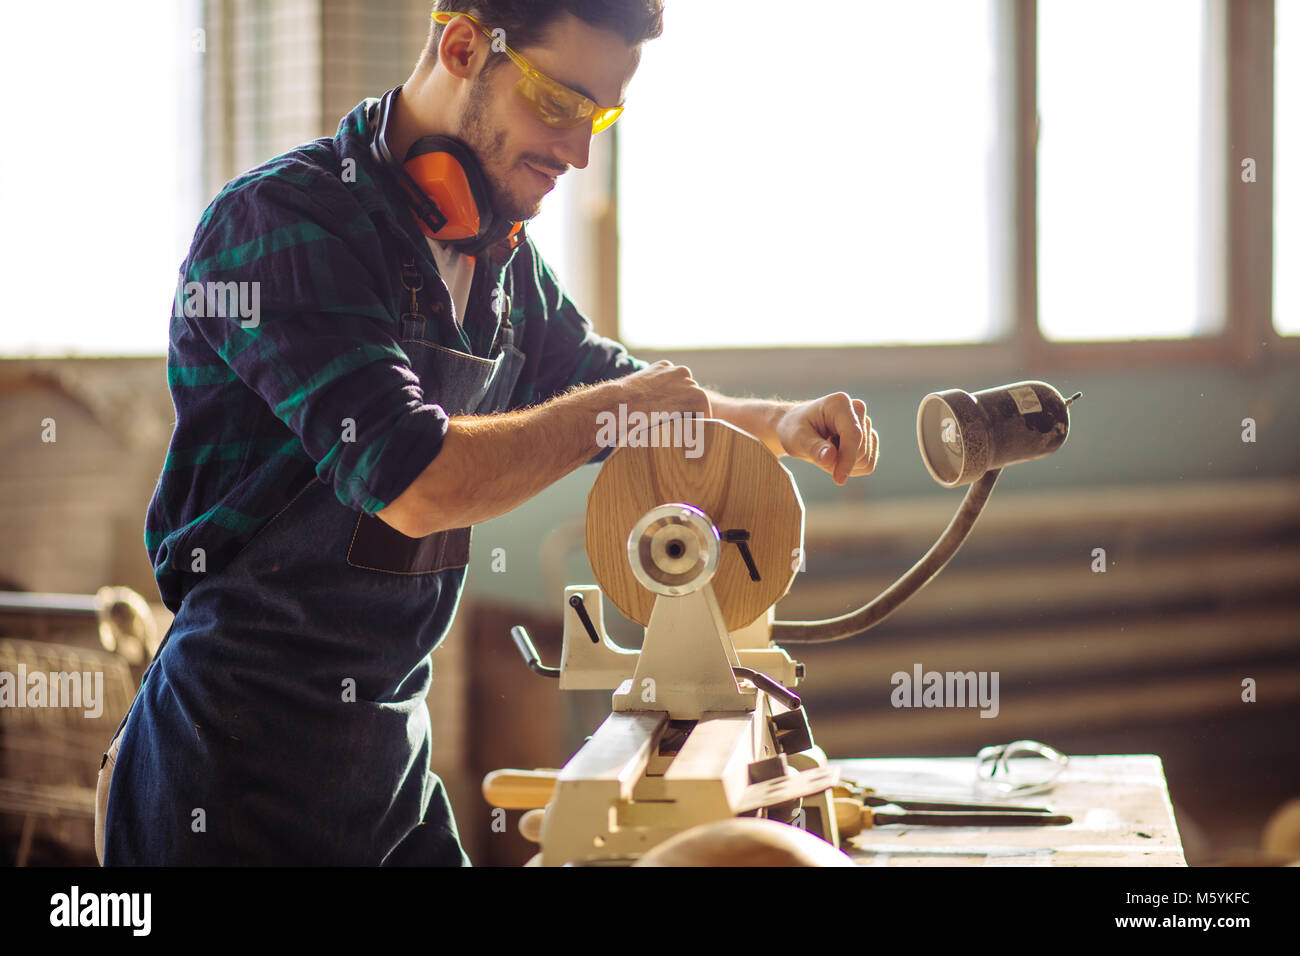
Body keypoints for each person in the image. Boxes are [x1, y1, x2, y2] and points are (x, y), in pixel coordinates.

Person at [98, 0, 879, 866]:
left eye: (601, 116)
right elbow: (418, 483)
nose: (580, 151)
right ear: (464, 45)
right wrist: (603, 415)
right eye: (560, 104)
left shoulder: (500, 260)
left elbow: (615, 391)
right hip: (233, 761)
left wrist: (777, 425)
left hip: (389, 750)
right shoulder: (284, 223)